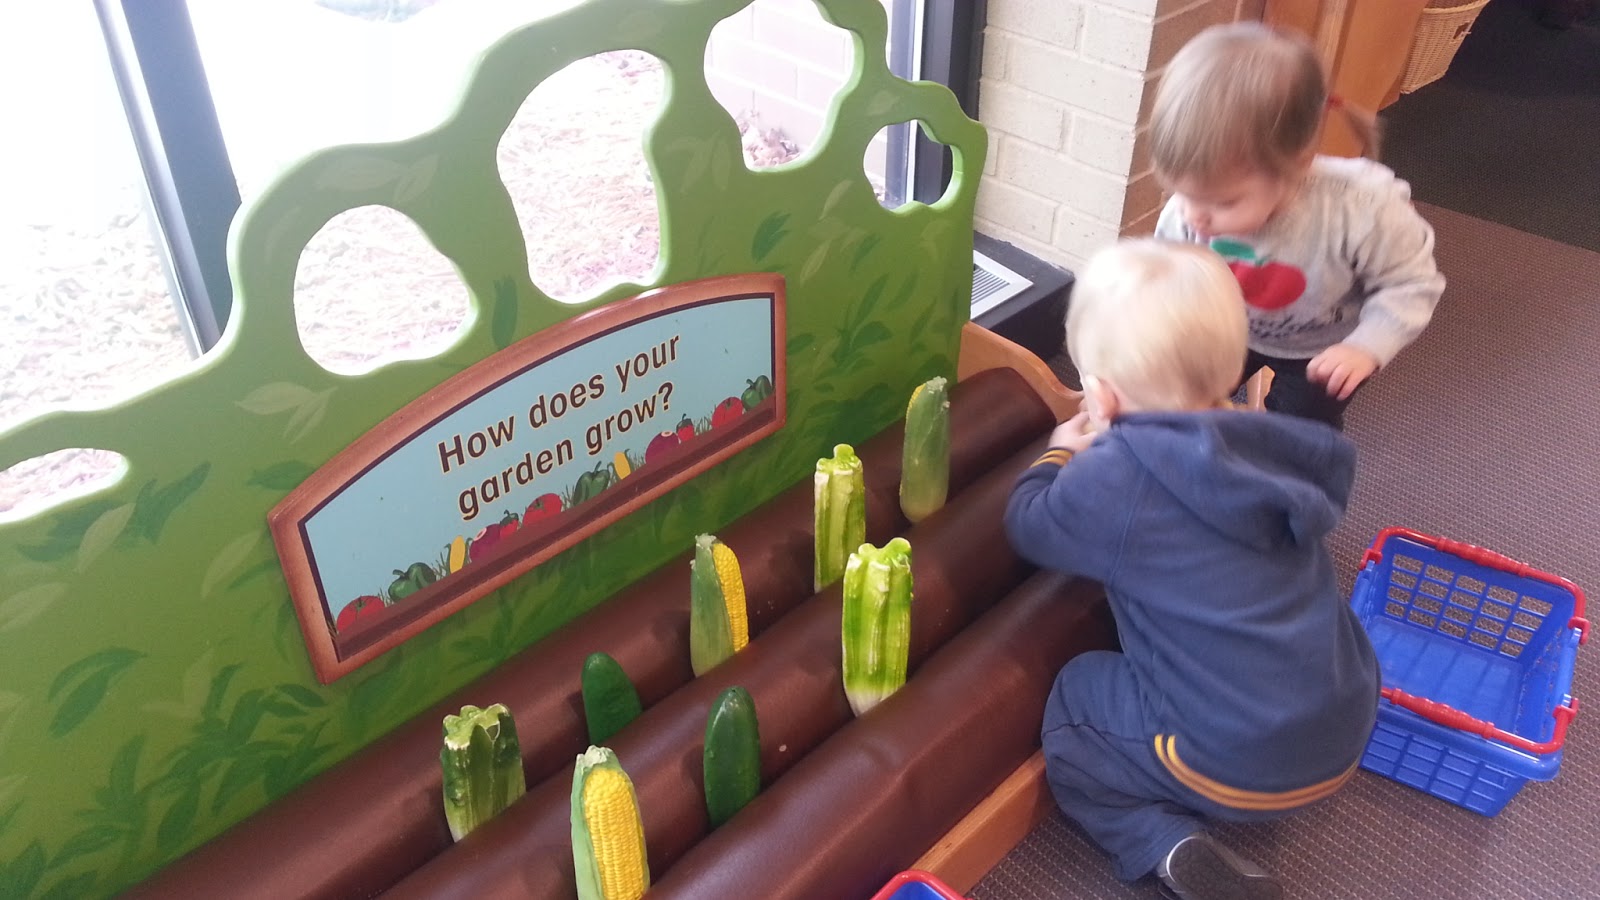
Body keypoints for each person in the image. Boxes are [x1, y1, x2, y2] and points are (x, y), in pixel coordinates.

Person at [1004, 240, 1379, 900]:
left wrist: (1059, 455)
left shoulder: (1117, 478)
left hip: (1233, 761)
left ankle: (1160, 841)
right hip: (1348, 722)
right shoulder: (1272, 441)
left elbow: (1029, 525)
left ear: (1100, 395)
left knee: (1074, 707)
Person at [1151, 21, 1446, 430]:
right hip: (1227, 332)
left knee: (1299, 430)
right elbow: (1168, 276)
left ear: (1298, 163)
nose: (1193, 217)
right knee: (1183, 397)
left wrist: (1367, 347)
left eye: (1223, 202)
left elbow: (1412, 285)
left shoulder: (1363, 209)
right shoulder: (1191, 210)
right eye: (1181, 194)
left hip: (1320, 351)